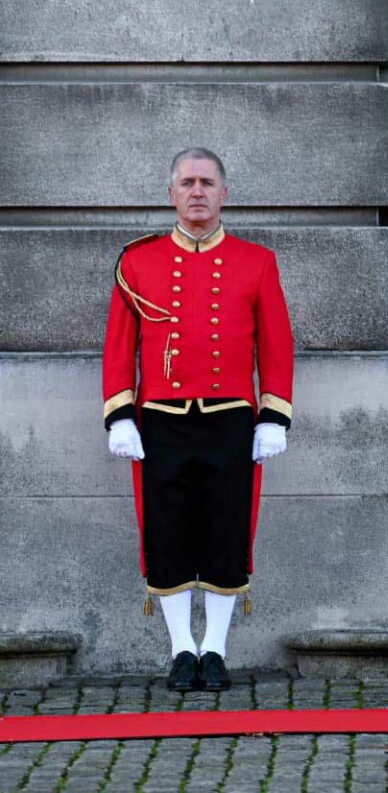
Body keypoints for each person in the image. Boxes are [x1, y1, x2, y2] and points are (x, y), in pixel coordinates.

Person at [102, 147, 293, 692]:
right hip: (160, 420)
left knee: (226, 532)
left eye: (207, 182)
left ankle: (216, 650)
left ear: (223, 193)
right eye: (187, 182)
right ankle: (181, 649)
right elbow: (120, 347)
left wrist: (273, 415)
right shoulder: (137, 262)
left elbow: (277, 346)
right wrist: (120, 415)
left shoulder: (257, 261)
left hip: (232, 419)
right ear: (171, 193)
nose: (197, 191)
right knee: (166, 534)